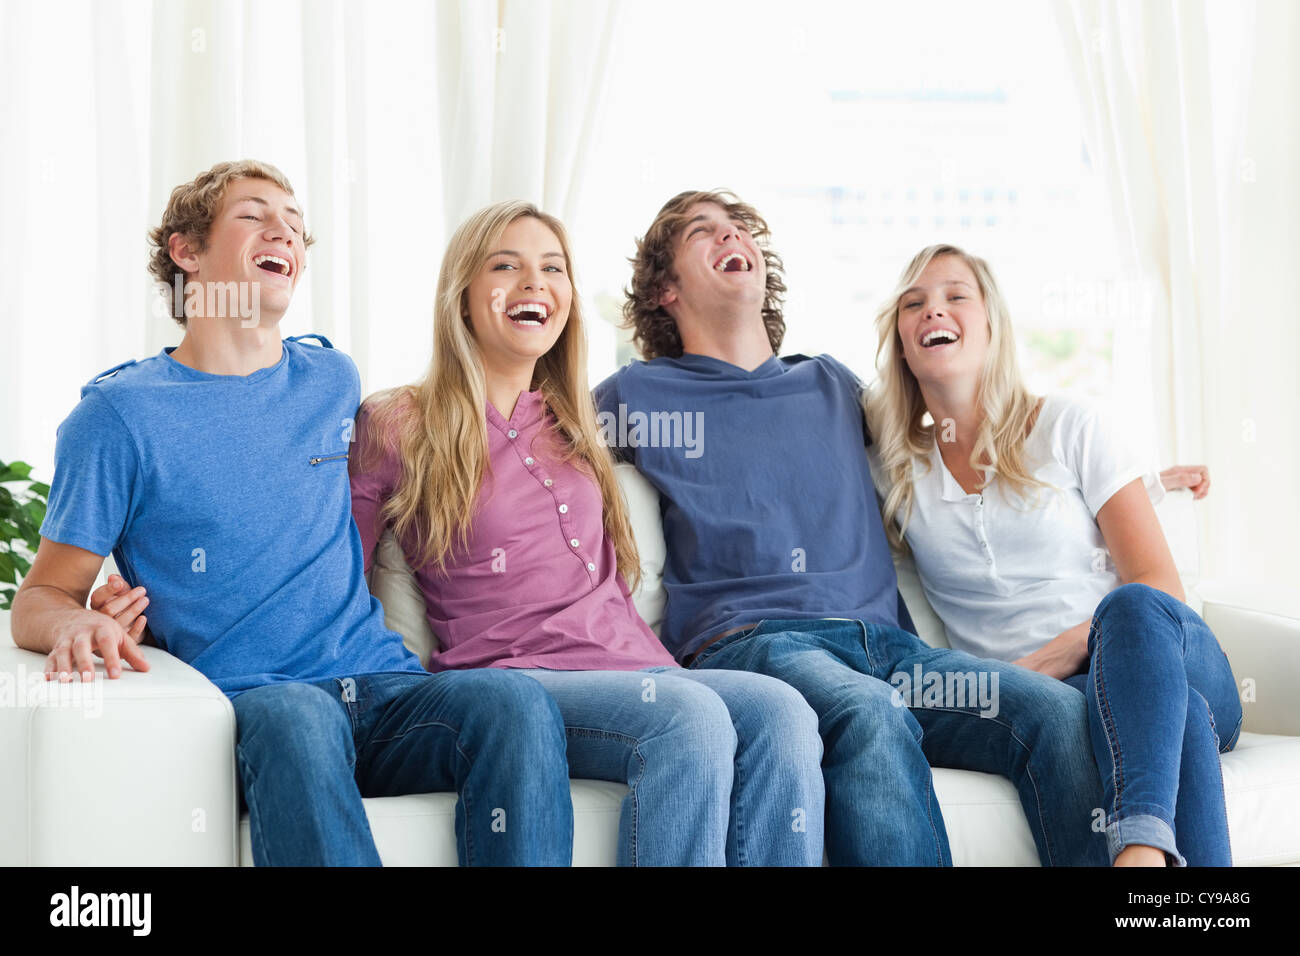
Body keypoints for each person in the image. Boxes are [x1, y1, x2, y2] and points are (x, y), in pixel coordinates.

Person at [12, 160, 573, 867]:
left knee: (513, 704)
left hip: (385, 688)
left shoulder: (332, 380)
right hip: (260, 703)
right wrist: (79, 616)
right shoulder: (116, 417)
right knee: (300, 716)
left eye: (297, 225)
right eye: (255, 215)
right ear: (186, 252)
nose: (286, 231)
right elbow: (39, 596)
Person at [596, 189, 1112, 866]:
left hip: (893, 651)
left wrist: (1142, 482)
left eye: (740, 228)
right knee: (871, 715)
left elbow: (951, 441)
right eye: (704, 232)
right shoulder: (637, 394)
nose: (732, 238)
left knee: (1052, 714)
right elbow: (527, 459)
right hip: (757, 647)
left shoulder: (830, 384)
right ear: (665, 289)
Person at [348, 200, 825, 866]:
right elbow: (332, 566)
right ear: (461, 294)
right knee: (688, 721)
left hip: (641, 667)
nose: (534, 283)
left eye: (552, 268)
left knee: (783, 713)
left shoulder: (581, 420)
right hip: (521, 679)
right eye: (505, 265)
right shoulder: (397, 421)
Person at [865, 243, 1241, 866]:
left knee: (1132, 606)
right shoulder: (900, 473)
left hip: (1158, 657)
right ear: (902, 343)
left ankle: (1141, 852)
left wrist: (1057, 652)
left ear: (992, 325)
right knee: (1181, 720)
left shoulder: (1070, 426)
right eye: (914, 304)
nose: (934, 310)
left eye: (956, 295)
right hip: (1108, 703)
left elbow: (1161, 586)